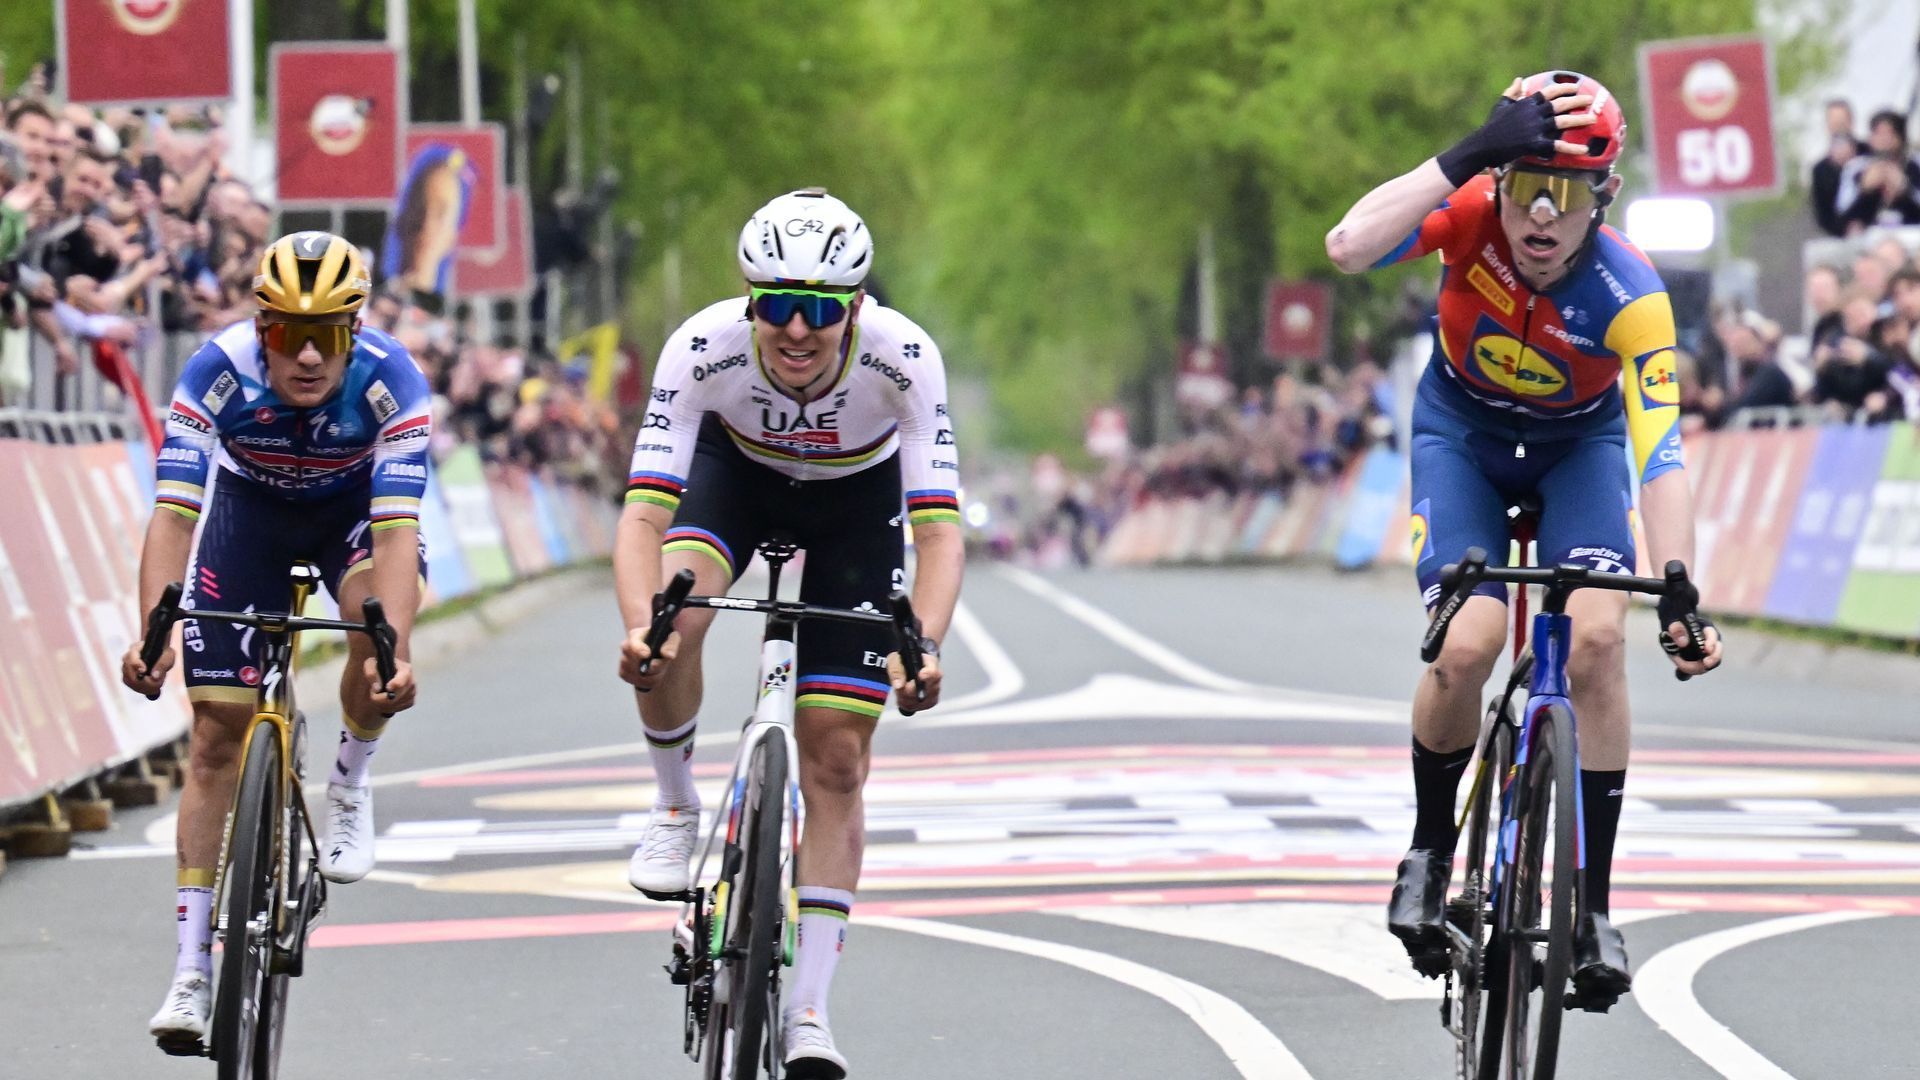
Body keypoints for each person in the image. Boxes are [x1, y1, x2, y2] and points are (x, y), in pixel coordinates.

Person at [1325, 70, 1723, 1009]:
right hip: (1459, 436)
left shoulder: (1634, 295)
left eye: (1572, 192)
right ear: (1498, 179)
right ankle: (1427, 853)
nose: (1543, 215)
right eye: (1526, 184)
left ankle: (1592, 909)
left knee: (1594, 640)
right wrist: (1466, 155)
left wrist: (1676, 586)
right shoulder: (1464, 214)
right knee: (1468, 643)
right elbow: (1348, 247)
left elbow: (1661, 453)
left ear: (1606, 200)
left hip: (1575, 453)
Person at [613, 188, 962, 1078]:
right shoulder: (702, 348)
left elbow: (939, 533)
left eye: (819, 310)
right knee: (675, 618)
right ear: (748, 302)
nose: (797, 331)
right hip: (737, 479)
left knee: (837, 754)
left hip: (856, 503)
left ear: (855, 308)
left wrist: (921, 644)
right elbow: (643, 521)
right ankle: (671, 803)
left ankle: (808, 1011)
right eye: (776, 306)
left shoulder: (904, 358)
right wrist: (638, 629)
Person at [120, 231, 430, 1049]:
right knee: (216, 735)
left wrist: (395, 648)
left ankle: (351, 782)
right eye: (286, 334)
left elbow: (398, 534)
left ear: (353, 333)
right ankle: (191, 970)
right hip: (249, 513)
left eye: (324, 335)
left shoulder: (392, 381)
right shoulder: (213, 372)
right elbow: (176, 512)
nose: (304, 356)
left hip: (352, 514)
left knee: (375, 628)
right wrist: (155, 625)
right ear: (261, 331)